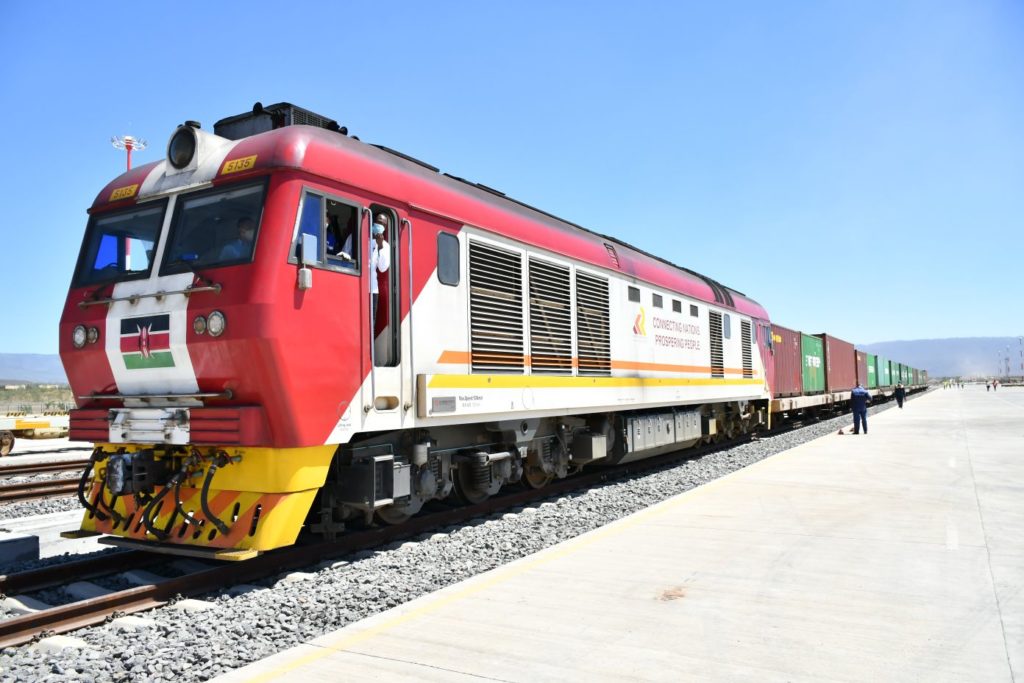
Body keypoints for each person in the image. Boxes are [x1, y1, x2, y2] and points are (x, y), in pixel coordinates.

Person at [369, 214, 390, 339]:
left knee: (370, 323)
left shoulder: (385, 246)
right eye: (378, 222)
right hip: (357, 284)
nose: (379, 225)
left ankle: (369, 350)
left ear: (385, 228)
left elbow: (383, 268)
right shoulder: (359, 237)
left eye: (383, 224)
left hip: (372, 289)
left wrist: (380, 246)